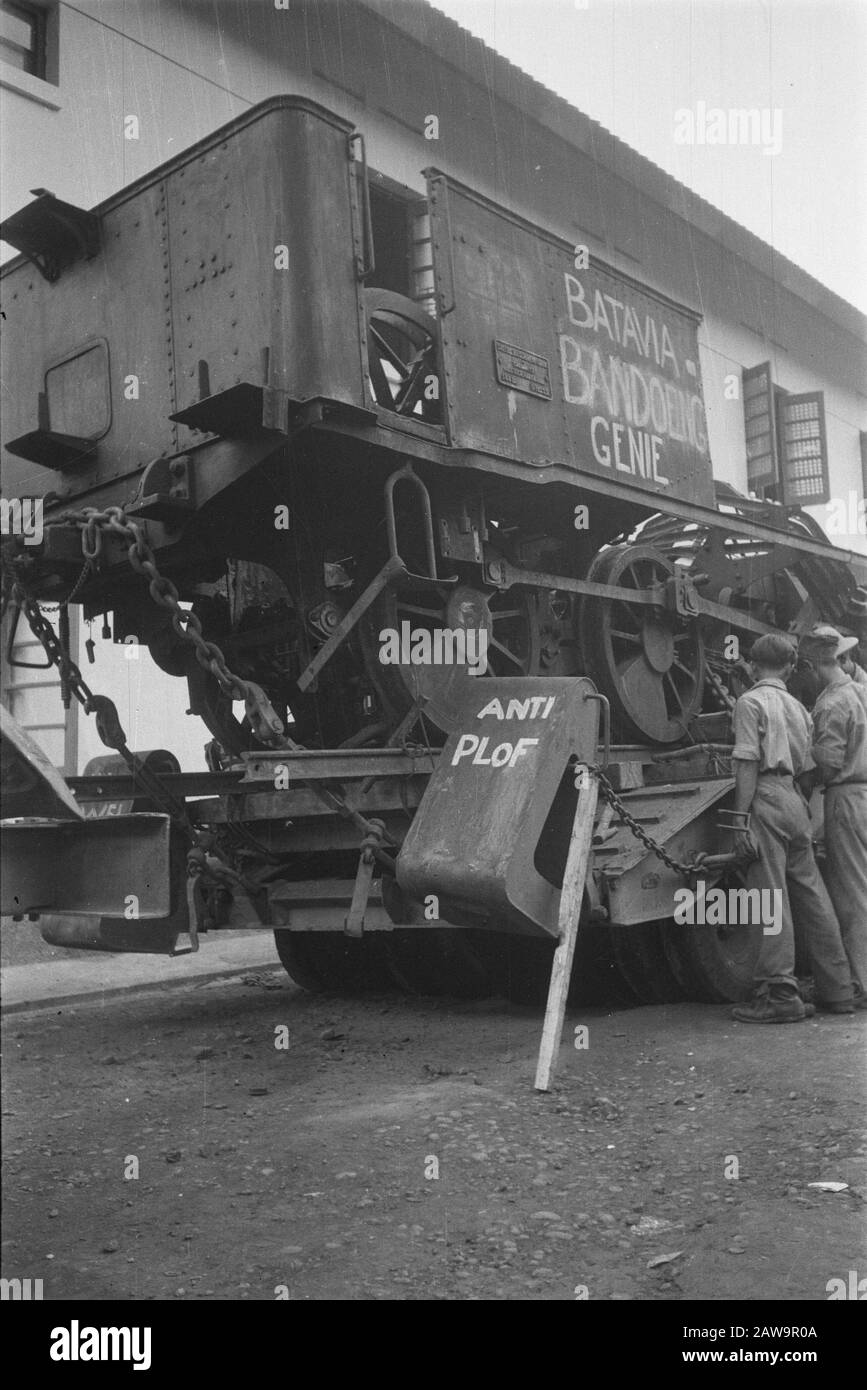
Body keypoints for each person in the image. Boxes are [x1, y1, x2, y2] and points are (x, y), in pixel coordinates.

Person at [729, 633, 855, 1023]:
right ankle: (839, 990)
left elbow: (748, 762)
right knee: (812, 894)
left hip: (765, 794)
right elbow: (809, 768)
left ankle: (780, 995)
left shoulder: (749, 703)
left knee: (770, 895)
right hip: (796, 800)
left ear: (752, 664)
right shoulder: (801, 708)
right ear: (788, 667)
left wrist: (739, 819)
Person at [802, 627, 867, 1009]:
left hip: (845, 797)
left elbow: (827, 764)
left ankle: (861, 981)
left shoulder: (831, 704)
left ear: (812, 665)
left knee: (852, 894)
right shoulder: (862, 691)